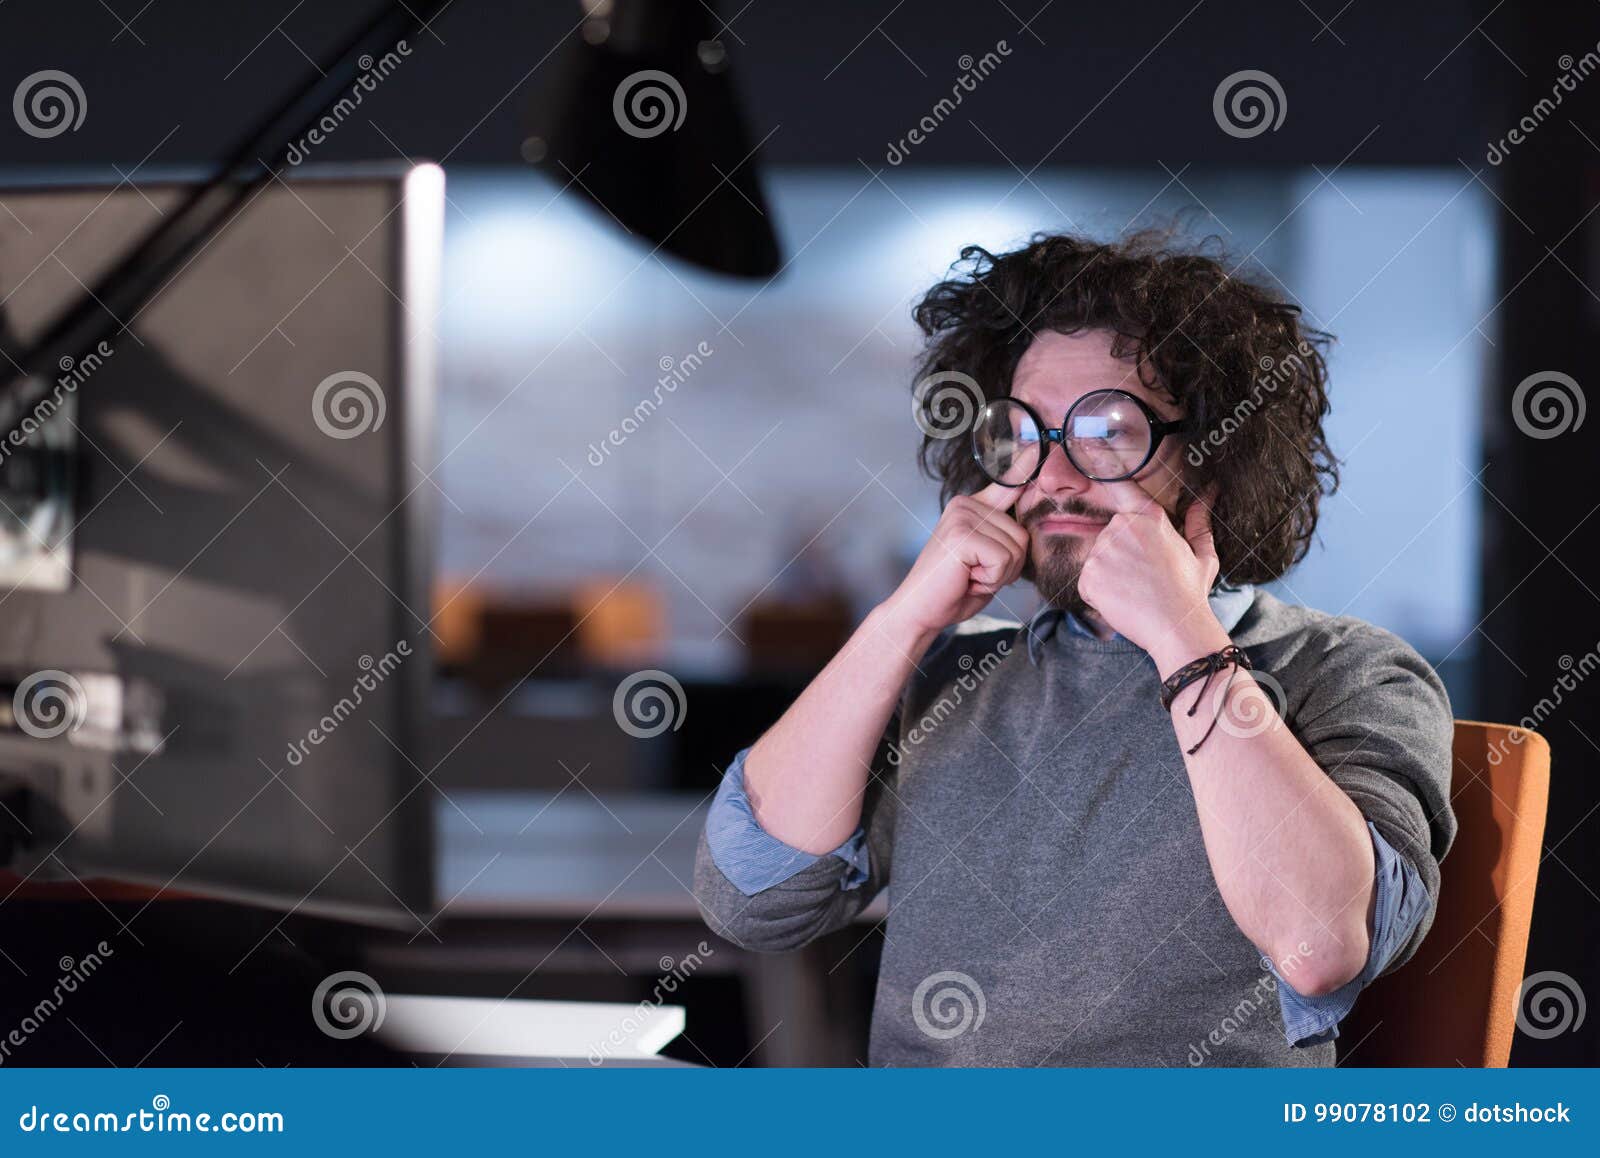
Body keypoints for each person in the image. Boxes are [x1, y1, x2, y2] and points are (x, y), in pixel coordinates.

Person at [691, 230, 1455, 1066]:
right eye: (1026, 431)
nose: (1053, 475)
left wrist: (1180, 634)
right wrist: (904, 618)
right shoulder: (957, 673)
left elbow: (1319, 944)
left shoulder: (1346, 673)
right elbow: (752, 896)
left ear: (1215, 457)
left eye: (1106, 430)